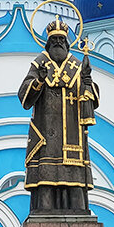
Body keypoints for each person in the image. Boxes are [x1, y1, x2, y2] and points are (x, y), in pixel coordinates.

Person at [18, 17, 98, 214]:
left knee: (73, 179)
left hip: (73, 133)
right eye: (54, 41)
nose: (57, 44)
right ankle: (44, 211)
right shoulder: (39, 65)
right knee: (45, 182)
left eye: (61, 40)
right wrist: (40, 81)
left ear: (67, 43)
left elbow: (92, 98)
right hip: (46, 132)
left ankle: (77, 210)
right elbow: (24, 96)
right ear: (48, 43)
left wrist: (87, 81)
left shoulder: (78, 67)